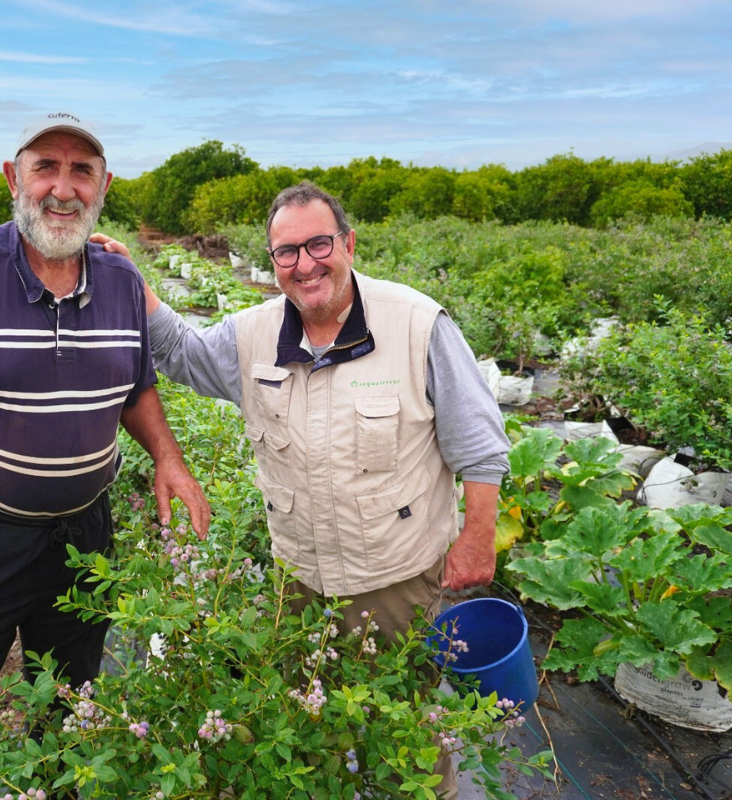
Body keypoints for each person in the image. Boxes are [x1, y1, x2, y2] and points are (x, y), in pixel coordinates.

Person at [94, 181, 508, 798]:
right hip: (298, 581)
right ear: (271, 261)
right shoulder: (254, 333)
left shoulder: (417, 324)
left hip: (393, 582)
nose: (305, 264)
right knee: (302, 727)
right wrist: (136, 285)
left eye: (319, 244)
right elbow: (181, 352)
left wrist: (476, 540)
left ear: (348, 243)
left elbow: (478, 441)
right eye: (286, 252)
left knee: (406, 736)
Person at [0, 112, 210, 800]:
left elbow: (134, 384)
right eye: (45, 168)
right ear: (12, 179)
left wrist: (169, 460)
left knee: (71, 707)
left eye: (81, 171)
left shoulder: (118, 280)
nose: (63, 188)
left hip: (82, 534)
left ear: (104, 186)